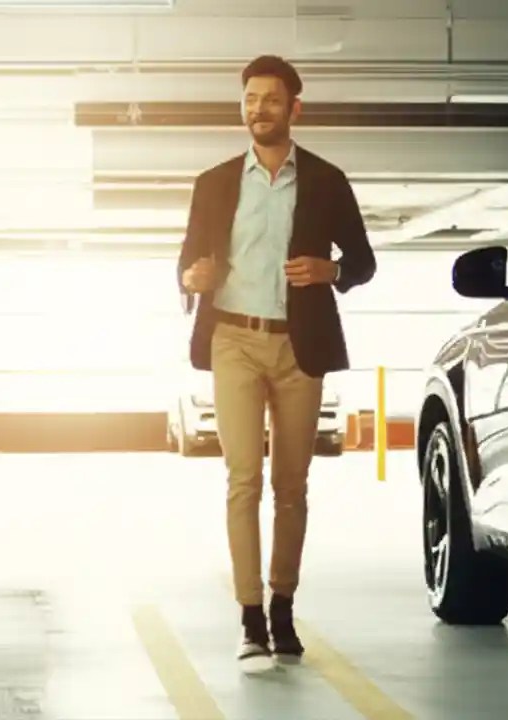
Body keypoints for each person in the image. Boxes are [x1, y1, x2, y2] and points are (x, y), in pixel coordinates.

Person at [176, 55, 376, 673]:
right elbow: (185, 264)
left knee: (292, 487)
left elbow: (363, 262)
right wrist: (192, 277)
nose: (256, 108)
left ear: (295, 108)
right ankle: (249, 617)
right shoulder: (213, 182)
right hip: (232, 338)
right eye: (249, 99)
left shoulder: (325, 180)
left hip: (299, 345)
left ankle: (283, 607)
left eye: (269, 99)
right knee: (243, 479)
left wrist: (331, 271)